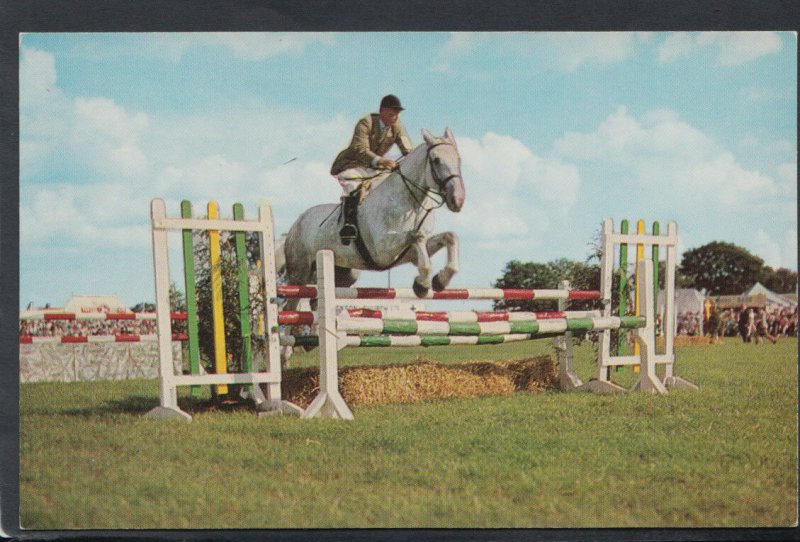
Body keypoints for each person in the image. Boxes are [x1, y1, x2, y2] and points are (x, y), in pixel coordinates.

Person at [330, 94, 413, 244]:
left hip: (373, 169)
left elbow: (407, 149)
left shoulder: (397, 126)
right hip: (352, 164)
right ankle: (348, 225)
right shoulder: (366, 122)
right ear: (382, 111)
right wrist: (382, 161)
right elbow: (360, 149)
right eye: (391, 114)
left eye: (396, 115)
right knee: (352, 186)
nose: (394, 118)